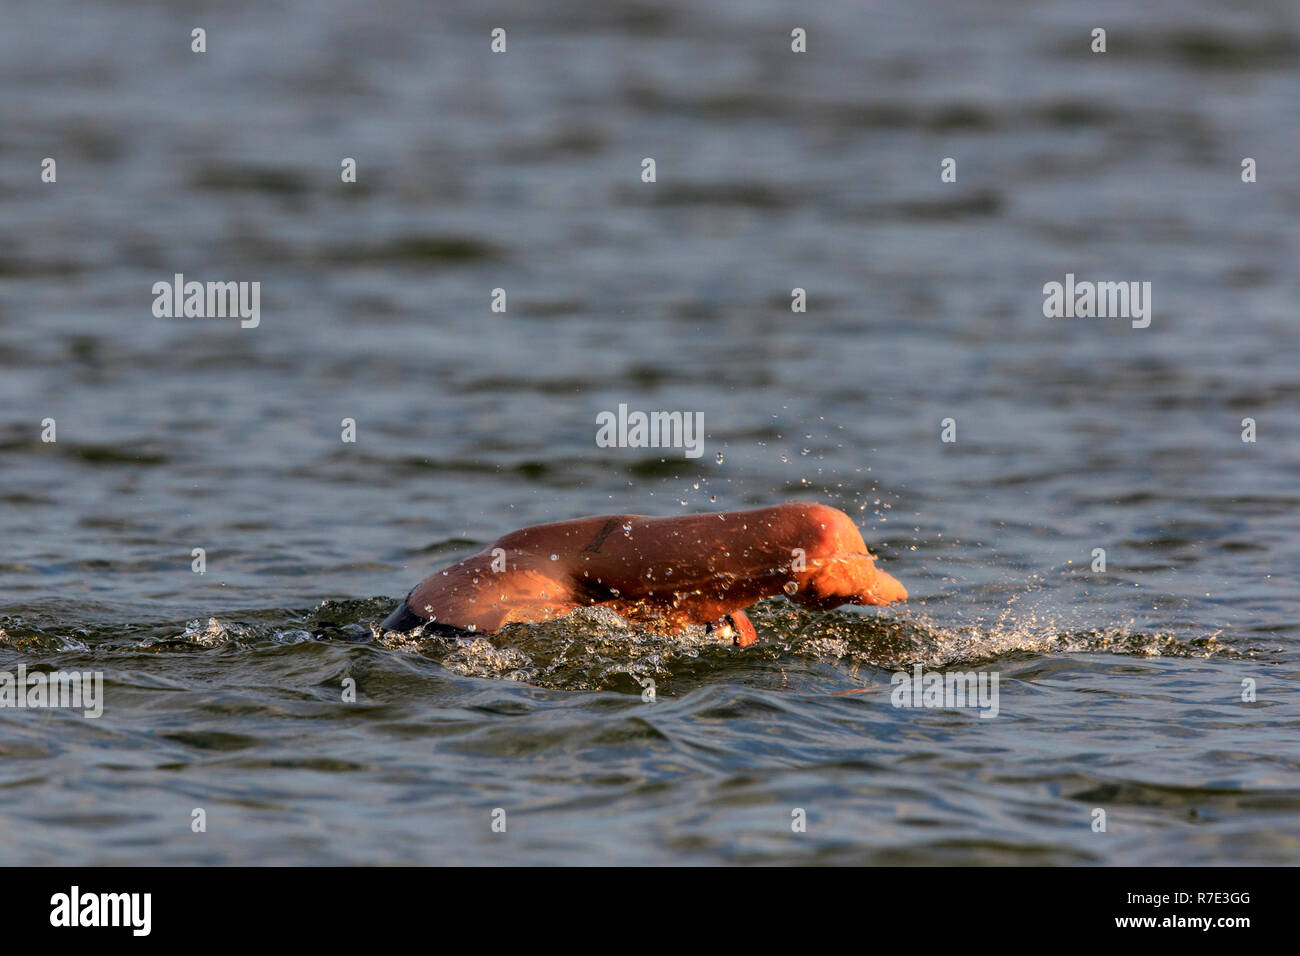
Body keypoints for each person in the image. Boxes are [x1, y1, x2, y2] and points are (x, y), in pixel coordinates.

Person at [380, 501, 907, 646]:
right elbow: (821, 535)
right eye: (726, 626)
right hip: (463, 651)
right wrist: (888, 591)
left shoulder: (550, 557)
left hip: (425, 638)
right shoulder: (607, 562)